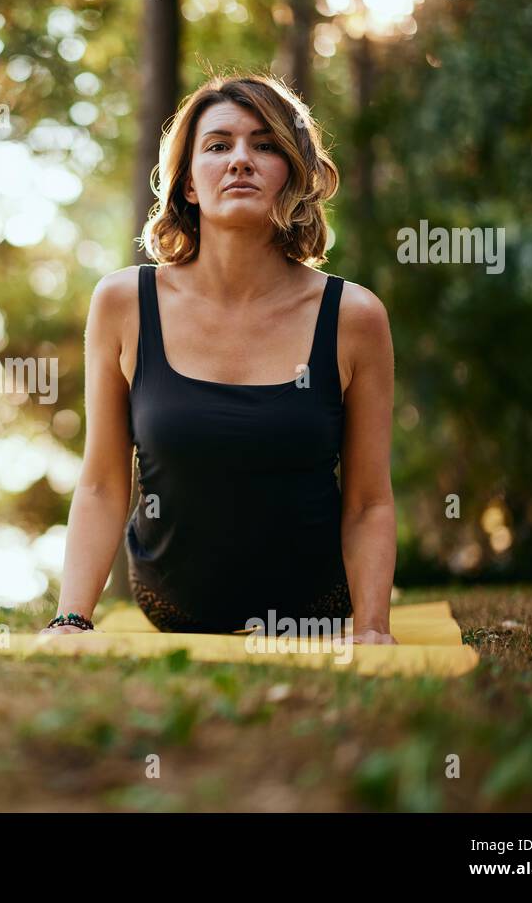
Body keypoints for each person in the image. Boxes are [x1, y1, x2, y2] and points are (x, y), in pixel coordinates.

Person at [42, 72, 397, 645]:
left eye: (265, 145)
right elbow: (104, 484)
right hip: (176, 605)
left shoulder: (354, 315)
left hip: (315, 610)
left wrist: (372, 629)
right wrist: (71, 621)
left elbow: (368, 500)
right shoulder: (123, 303)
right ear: (186, 184)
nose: (240, 160)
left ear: (294, 176)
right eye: (218, 145)